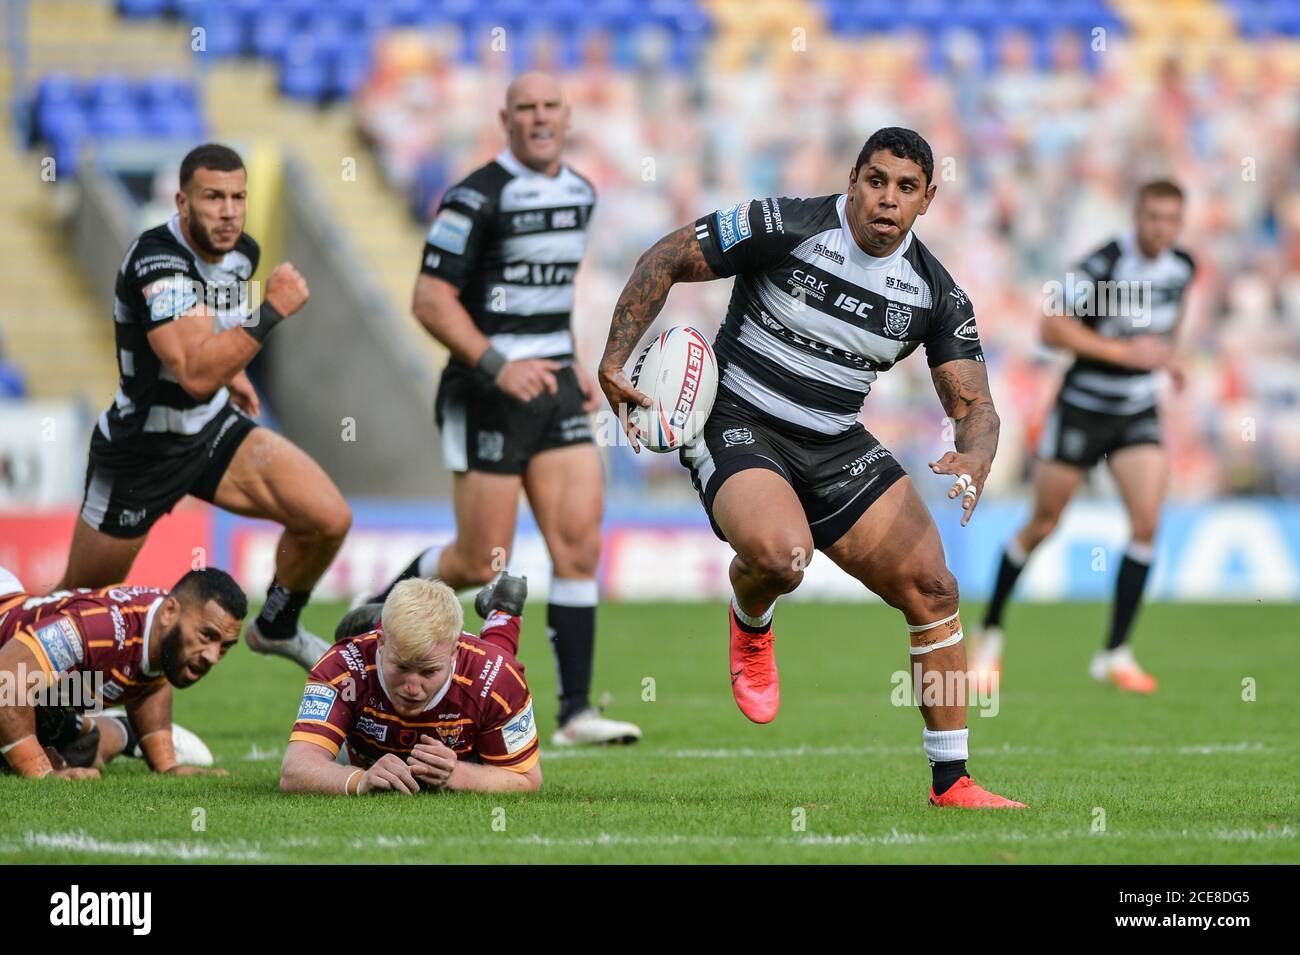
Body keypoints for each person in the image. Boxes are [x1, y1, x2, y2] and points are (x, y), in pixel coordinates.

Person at [598, 128, 1024, 808]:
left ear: (927, 200)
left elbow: (974, 403)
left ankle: (953, 781)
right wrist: (616, 358)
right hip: (738, 419)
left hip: (832, 440)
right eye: (876, 180)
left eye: (906, 188)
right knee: (780, 554)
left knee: (935, 588)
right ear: (854, 179)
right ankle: (752, 614)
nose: (887, 199)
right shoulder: (785, 225)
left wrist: (976, 451)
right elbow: (670, 255)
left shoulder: (934, 294)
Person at [364, 72, 639, 747]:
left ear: (568, 114)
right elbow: (430, 299)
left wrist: (568, 357)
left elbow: (550, 294)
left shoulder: (580, 191)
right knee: (478, 559)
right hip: (486, 391)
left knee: (579, 542)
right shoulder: (475, 196)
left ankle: (575, 712)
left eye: (551, 106)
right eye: (526, 109)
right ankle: (376, 615)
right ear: (504, 118)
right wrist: (498, 364)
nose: (540, 118)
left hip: (553, 391)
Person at [56, 143, 351, 671]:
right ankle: (25, 690)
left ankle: (277, 626)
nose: (229, 210)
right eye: (213, 197)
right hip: (142, 449)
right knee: (75, 607)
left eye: (239, 196)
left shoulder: (242, 255)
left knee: (327, 518)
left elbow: (208, 327)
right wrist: (270, 311)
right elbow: (192, 372)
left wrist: (232, 371)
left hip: (211, 430)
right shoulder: (157, 261)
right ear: (182, 202)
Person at [974, 181, 1196, 694]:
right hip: (1083, 407)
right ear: (1136, 214)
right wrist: (1124, 355)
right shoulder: (1103, 263)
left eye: (1171, 219)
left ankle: (1114, 652)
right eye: (1153, 217)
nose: (1161, 229)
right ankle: (990, 635)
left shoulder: (1183, 266)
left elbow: (1171, 320)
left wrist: (1170, 358)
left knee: (1146, 523)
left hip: (1136, 410)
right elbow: (1049, 326)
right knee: (1044, 521)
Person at [280, 574, 541, 795]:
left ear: (454, 654)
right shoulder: (343, 666)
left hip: (472, 737)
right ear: (380, 644)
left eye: (429, 671)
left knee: (493, 669)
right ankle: (382, 626)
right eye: (402, 667)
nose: (413, 688)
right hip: (363, 751)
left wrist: (457, 774)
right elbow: (295, 770)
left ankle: (503, 611)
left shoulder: (497, 677)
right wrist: (360, 781)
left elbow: (526, 779)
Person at [0, 564, 242, 779]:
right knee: (30, 749)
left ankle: (120, 731)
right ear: (169, 611)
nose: (212, 656)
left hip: (39, 688)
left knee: (80, 746)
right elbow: (6, 681)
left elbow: (152, 665)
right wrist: (41, 771)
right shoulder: (99, 628)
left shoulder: (164, 627)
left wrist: (167, 765)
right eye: (207, 636)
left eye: (224, 647)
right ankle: (111, 727)